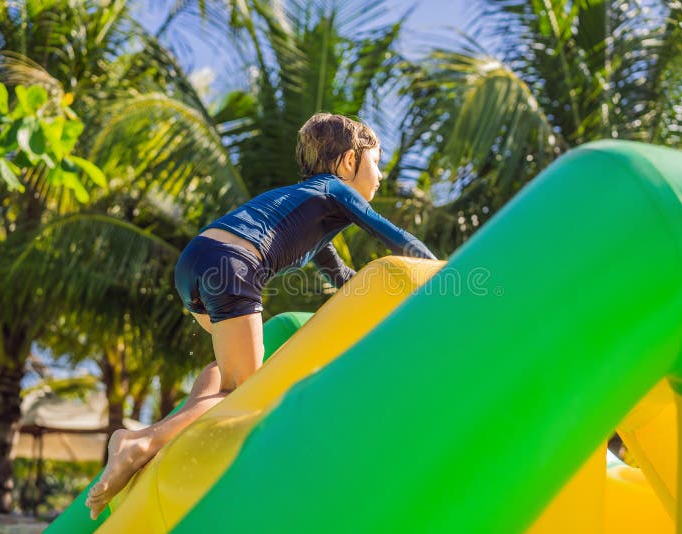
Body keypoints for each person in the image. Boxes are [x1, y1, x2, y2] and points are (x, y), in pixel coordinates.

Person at [85, 112, 437, 519]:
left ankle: (177, 423)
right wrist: (444, 273)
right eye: (375, 162)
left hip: (197, 260)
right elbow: (396, 238)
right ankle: (140, 442)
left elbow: (342, 277)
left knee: (221, 372)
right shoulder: (336, 190)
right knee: (244, 389)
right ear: (347, 162)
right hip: (233, 263)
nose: (380, 175)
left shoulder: (308, 207)